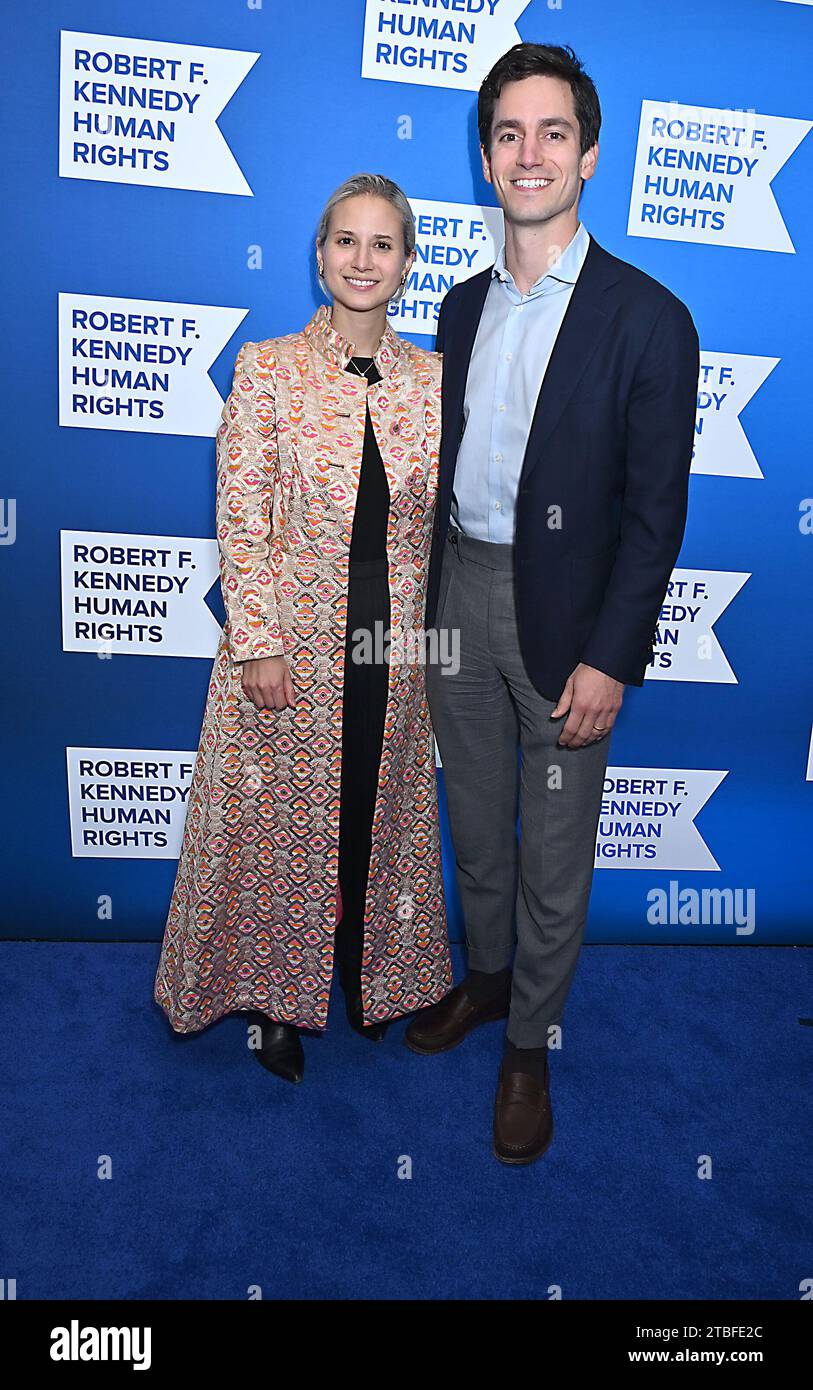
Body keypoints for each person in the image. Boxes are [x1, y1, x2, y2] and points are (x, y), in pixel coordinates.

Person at [406, 43, 700, 1164]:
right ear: (486, 160)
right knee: (476, 826)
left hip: (569, 622)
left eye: (553, 134)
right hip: (457, 602)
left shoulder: (649, 318)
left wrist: (613, 656)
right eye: (509, 135)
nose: (530, 155)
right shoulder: (461, 302)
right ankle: (486, 983)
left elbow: (653, 516)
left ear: (587, 156)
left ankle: (529, 1041)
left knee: (556, 846)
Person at [154, 173, 453, 1082]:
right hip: (287, 636)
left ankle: (371, 981)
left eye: (383, 245)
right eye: (344, 242)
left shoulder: (436, 381)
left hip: (393, 638)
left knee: (376, 806)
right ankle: (273, 1000)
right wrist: (259, 639)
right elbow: (240, 515)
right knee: (278, 822)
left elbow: (452, 523)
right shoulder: (269, 366)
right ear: (319, 255)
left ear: (406, 264)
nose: (362, 261)